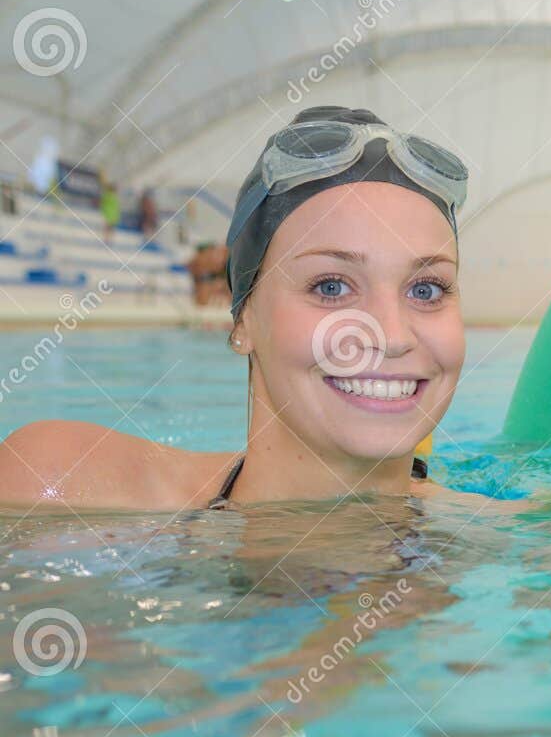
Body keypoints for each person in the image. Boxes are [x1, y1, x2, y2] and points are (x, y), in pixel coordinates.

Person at [0, 106, 469, 511]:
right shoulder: (60, 483)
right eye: (331, 285)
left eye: (426, 289)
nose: (392, 336)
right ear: (242, 317)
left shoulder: (518, 541)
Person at [99, 177, 119, 243]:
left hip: (111, 214)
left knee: (109, 227)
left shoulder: (111, 196)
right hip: (110, 214)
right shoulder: (109, 196)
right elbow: (103, 204)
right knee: (109, 227)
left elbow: (116, 207)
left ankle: (108, 239)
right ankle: (107, 239)